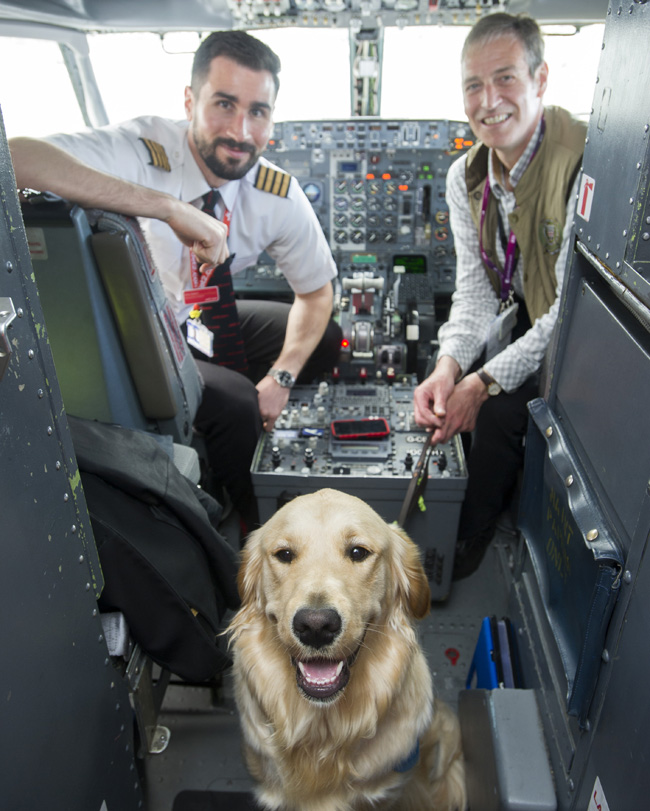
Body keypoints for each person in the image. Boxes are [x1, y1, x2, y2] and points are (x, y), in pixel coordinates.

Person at [9, 30, 341, 529]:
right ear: (190, 101)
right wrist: (167, 208)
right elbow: (16, 157)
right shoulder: (144, 151)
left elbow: (315, 293)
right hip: (144, 327)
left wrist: (281, 378)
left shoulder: (277, 193)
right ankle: (247, 522)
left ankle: (254, 423)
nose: (240, 131)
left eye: (257, 111)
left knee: (326, 339)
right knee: (235, 402)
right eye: (224, 104)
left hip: (201, 315)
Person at [413, 13, 587, 579]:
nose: (489, 101)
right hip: (528, 314)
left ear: (540, 79)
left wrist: (481, 384)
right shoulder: (465, 177)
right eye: (474, 85)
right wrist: (448, 368)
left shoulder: (581, 164)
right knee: (451, 374)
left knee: (497, 414)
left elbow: (566, 313)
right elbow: (473, 294)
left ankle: (472, 535)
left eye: (505, 78)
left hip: (581, 334)